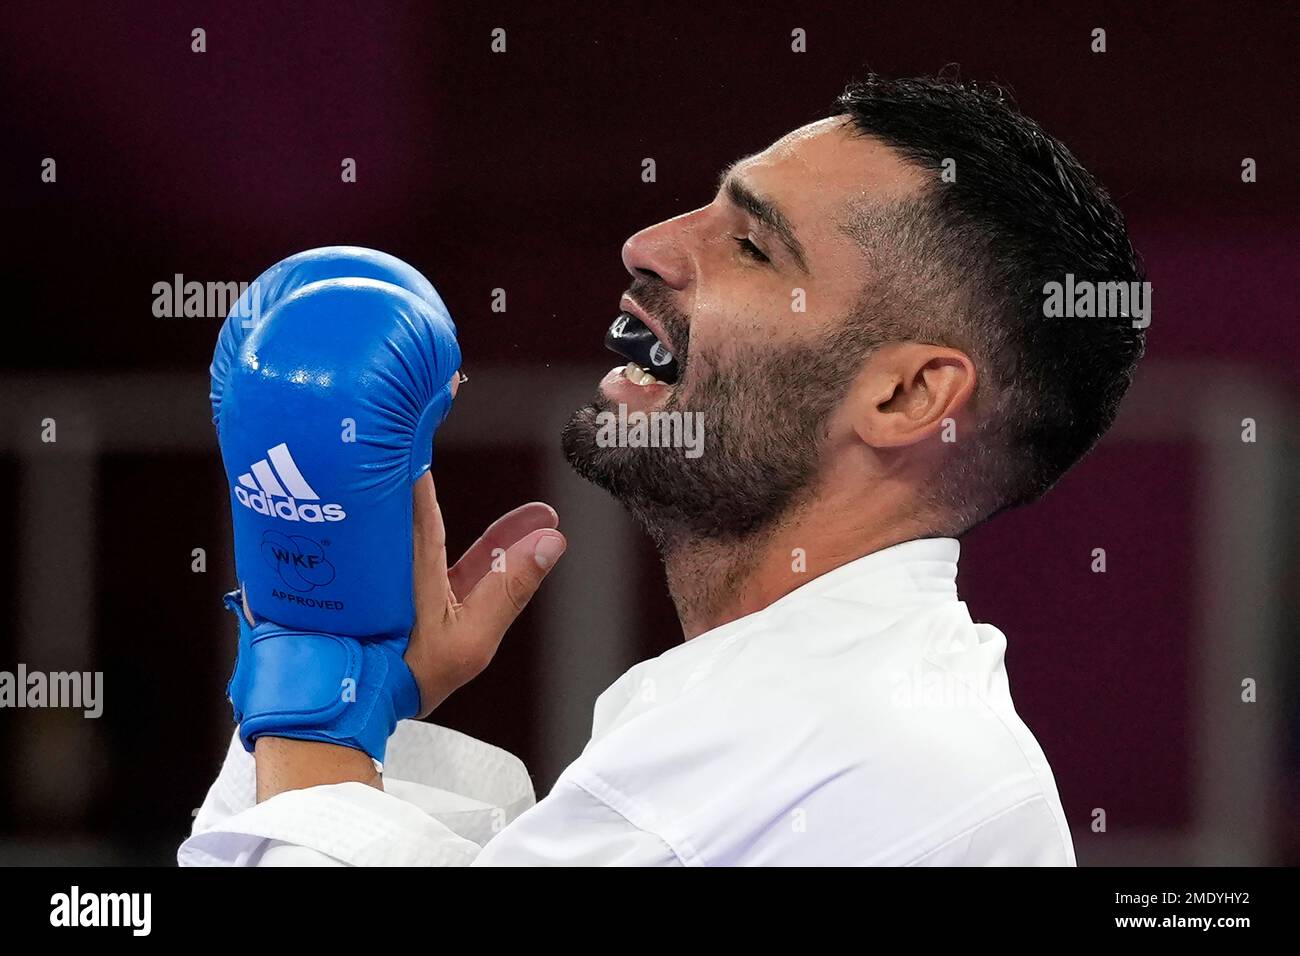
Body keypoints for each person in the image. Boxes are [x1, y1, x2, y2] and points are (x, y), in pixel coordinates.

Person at [180, 74, 1145, 866]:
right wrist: (353, 696)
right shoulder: (833, 726)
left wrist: (310, 668)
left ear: (905, 399)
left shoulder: (835, 754)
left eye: (752, 248)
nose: (649, 244)